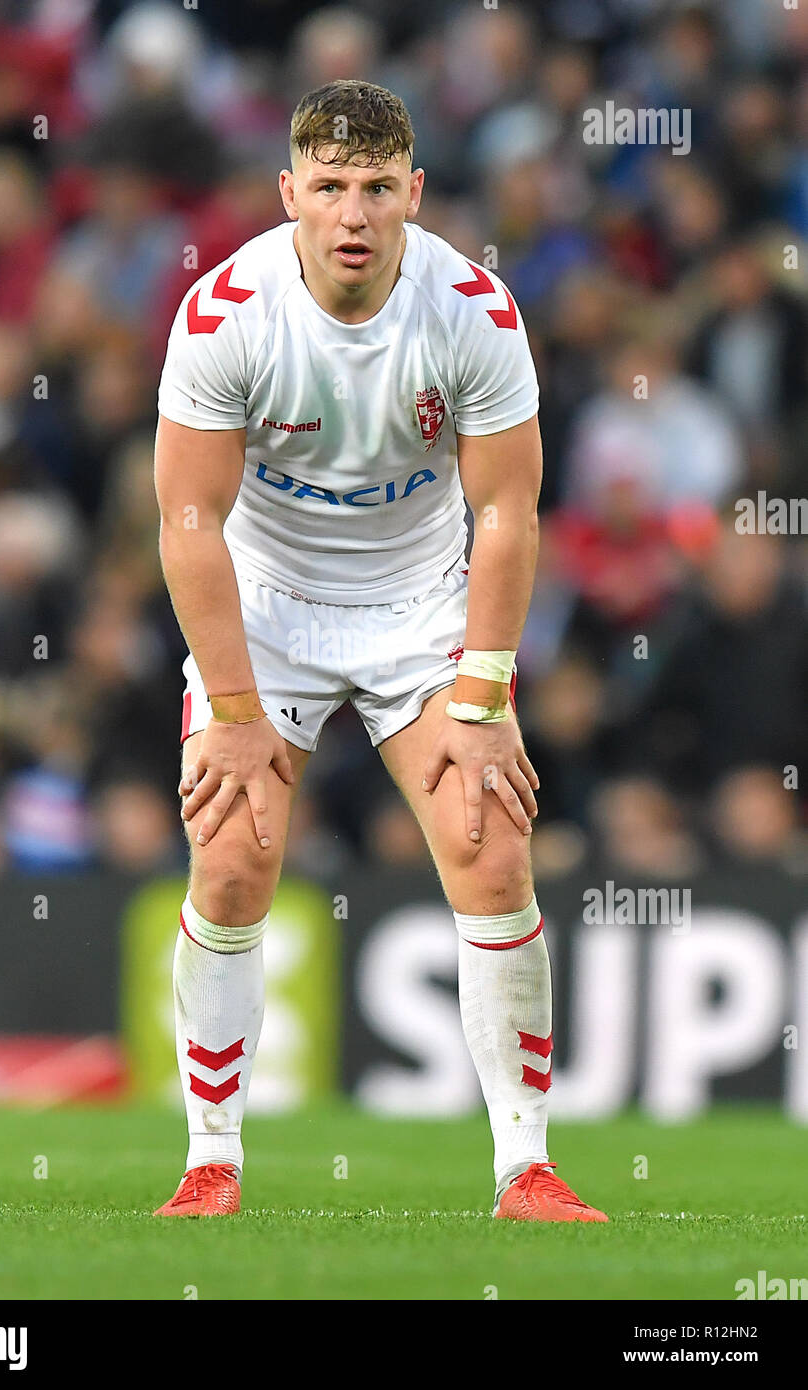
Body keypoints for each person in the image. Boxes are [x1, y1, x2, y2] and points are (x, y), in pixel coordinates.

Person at [152, 79, 607, 1223]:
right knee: (230, 858)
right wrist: (238, 709)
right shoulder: (222, 314)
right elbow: (187, 524)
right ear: (286, 194)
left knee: (490, 847)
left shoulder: (475, 311)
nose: (350, 214)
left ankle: (525, 1169)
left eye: (371, 189)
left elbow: (506, 512)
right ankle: (211, 1160)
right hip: (265, 603)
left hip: (418, 601)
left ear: (412, 192)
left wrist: (485, 689)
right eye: (326, 188)